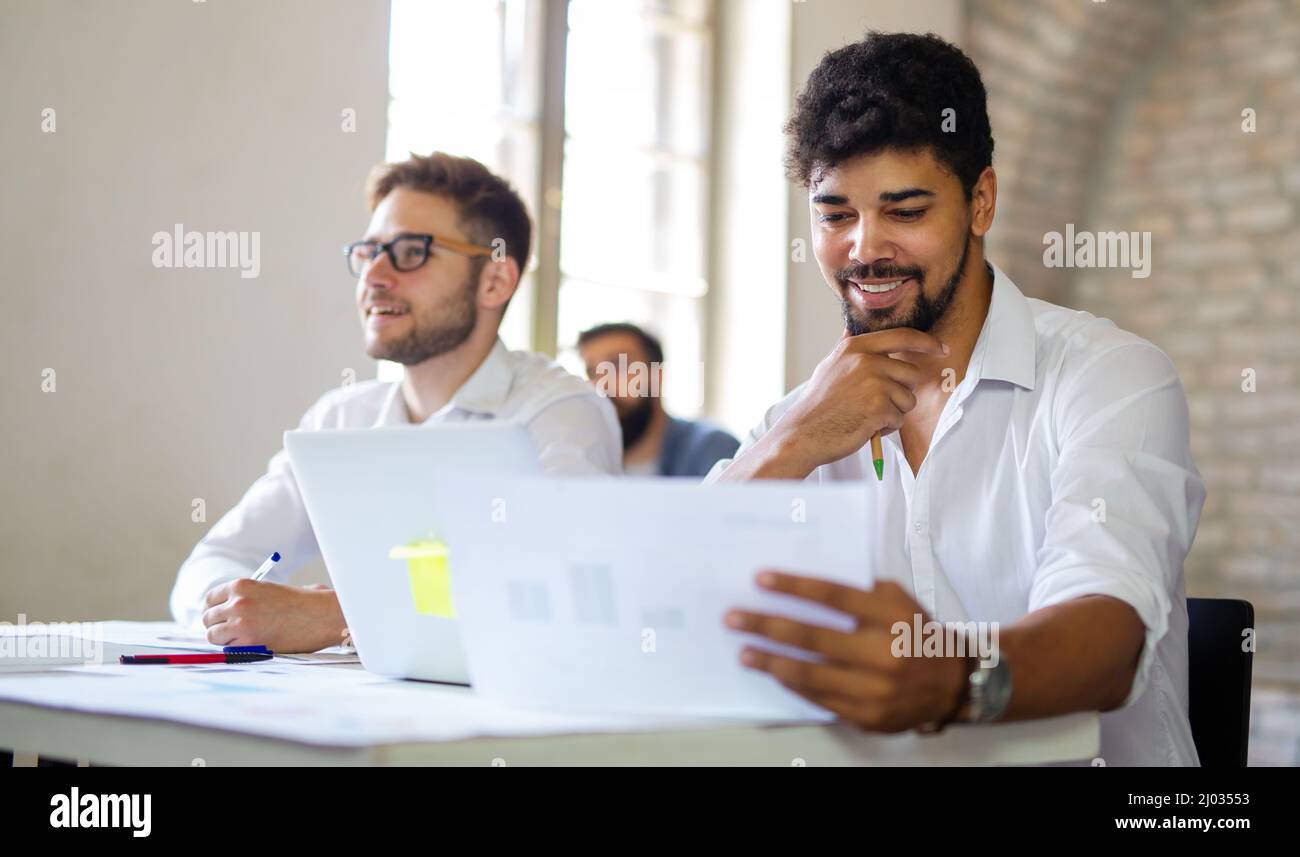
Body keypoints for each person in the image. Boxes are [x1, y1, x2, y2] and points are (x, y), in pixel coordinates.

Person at [713, 32, 1205, 765]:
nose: (865, 248)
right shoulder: (799, 418)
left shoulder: (1111, 377)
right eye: (835, 214)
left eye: (905, 211)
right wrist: (791, 444)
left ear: (980, 202)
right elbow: (680, 601)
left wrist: (948, 677)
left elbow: (1107, 635)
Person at [170, 152, 621, 652]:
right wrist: (236, 612)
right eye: (368, 252)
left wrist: (339, 617)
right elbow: (213, 560)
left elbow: (565, 595)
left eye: (410, 252)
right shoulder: (340, 419)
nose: (375, 276)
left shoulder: (557, 412)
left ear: (494, 280)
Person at [578, 322, 739, 477]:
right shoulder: (581, 458)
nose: (601, 384)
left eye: (617, 366)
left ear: (657, 375)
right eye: (592, 372)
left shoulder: (713, 450)